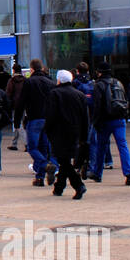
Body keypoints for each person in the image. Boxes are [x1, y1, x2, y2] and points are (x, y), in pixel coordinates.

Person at [87, 62, 130, 186]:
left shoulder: (99, 85)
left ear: (100, 72)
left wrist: (95, 121)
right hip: (119, 119)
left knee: (101, 147)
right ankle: (129, 174)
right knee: (122, 145)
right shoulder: (117, 83)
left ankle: (97, 173)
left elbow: (97, 105)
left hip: (105, 120)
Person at [44, 70, 90, 199]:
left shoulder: (54, 94)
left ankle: (78, 185)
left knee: (63, 161)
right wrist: (84, 135)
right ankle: (59, 187)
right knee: (64, 160)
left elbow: (50, 114)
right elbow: (85, 117)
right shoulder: (79, 95)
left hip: (59, 132)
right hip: (75, 132)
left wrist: (47, 129)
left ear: (58, 80)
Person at [14, 59, 57, 187]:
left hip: (34, 118)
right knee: (44, 147)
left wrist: (17, 121)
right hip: (48, 119)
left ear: (31, 69)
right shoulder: (50, 82)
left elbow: (21, 102)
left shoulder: (29, 82)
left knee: (33, 147)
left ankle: (46, 166)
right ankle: (40, 177)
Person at [6, 63, 26, 151]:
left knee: (18, 124)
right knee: (19, 123)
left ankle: (27, 143)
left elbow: (8, 93)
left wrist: (8, 103)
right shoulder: (25, 80)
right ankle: (14, 143)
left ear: (13, 70)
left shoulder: (12, 80)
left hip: (15, 105)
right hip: (24, 104)